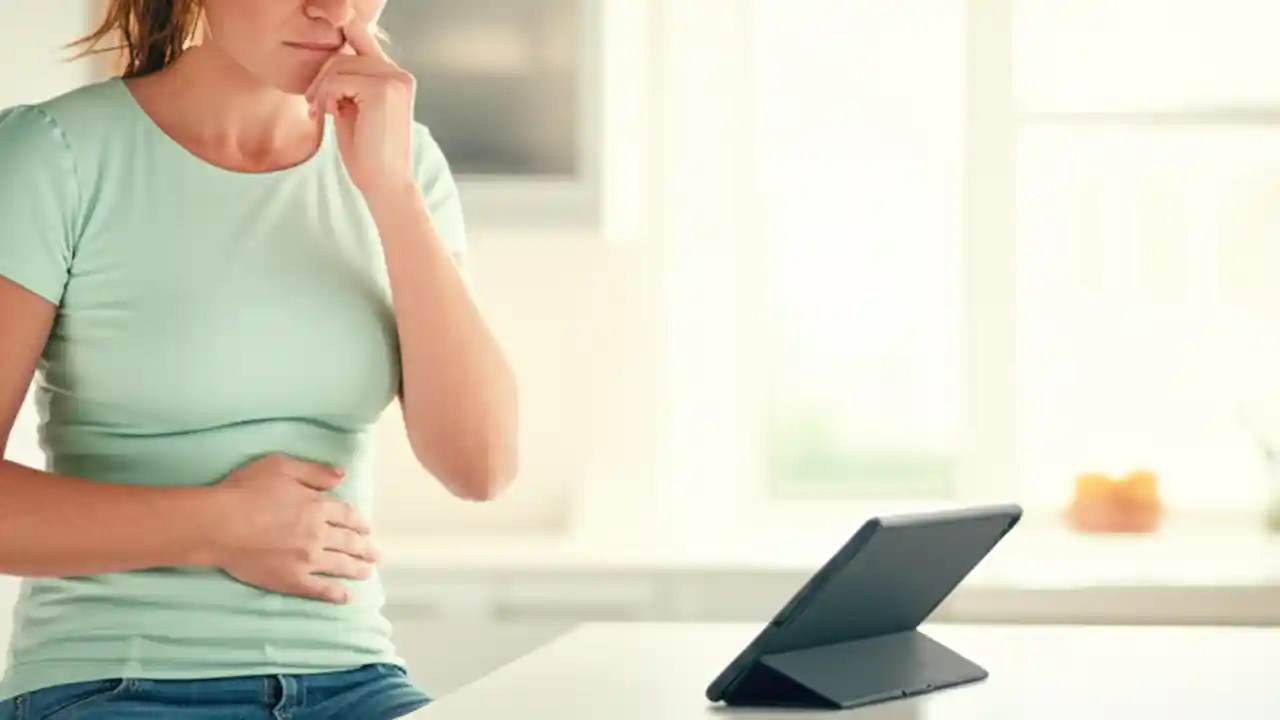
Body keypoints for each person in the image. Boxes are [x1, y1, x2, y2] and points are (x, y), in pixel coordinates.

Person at [0, 0, 519, 717]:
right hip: (116, 679)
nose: (331, 8)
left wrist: (393, 191)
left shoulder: (402, 159)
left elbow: (481, 465)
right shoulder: (54, 155)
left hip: (356, 680)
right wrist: (221, 526)